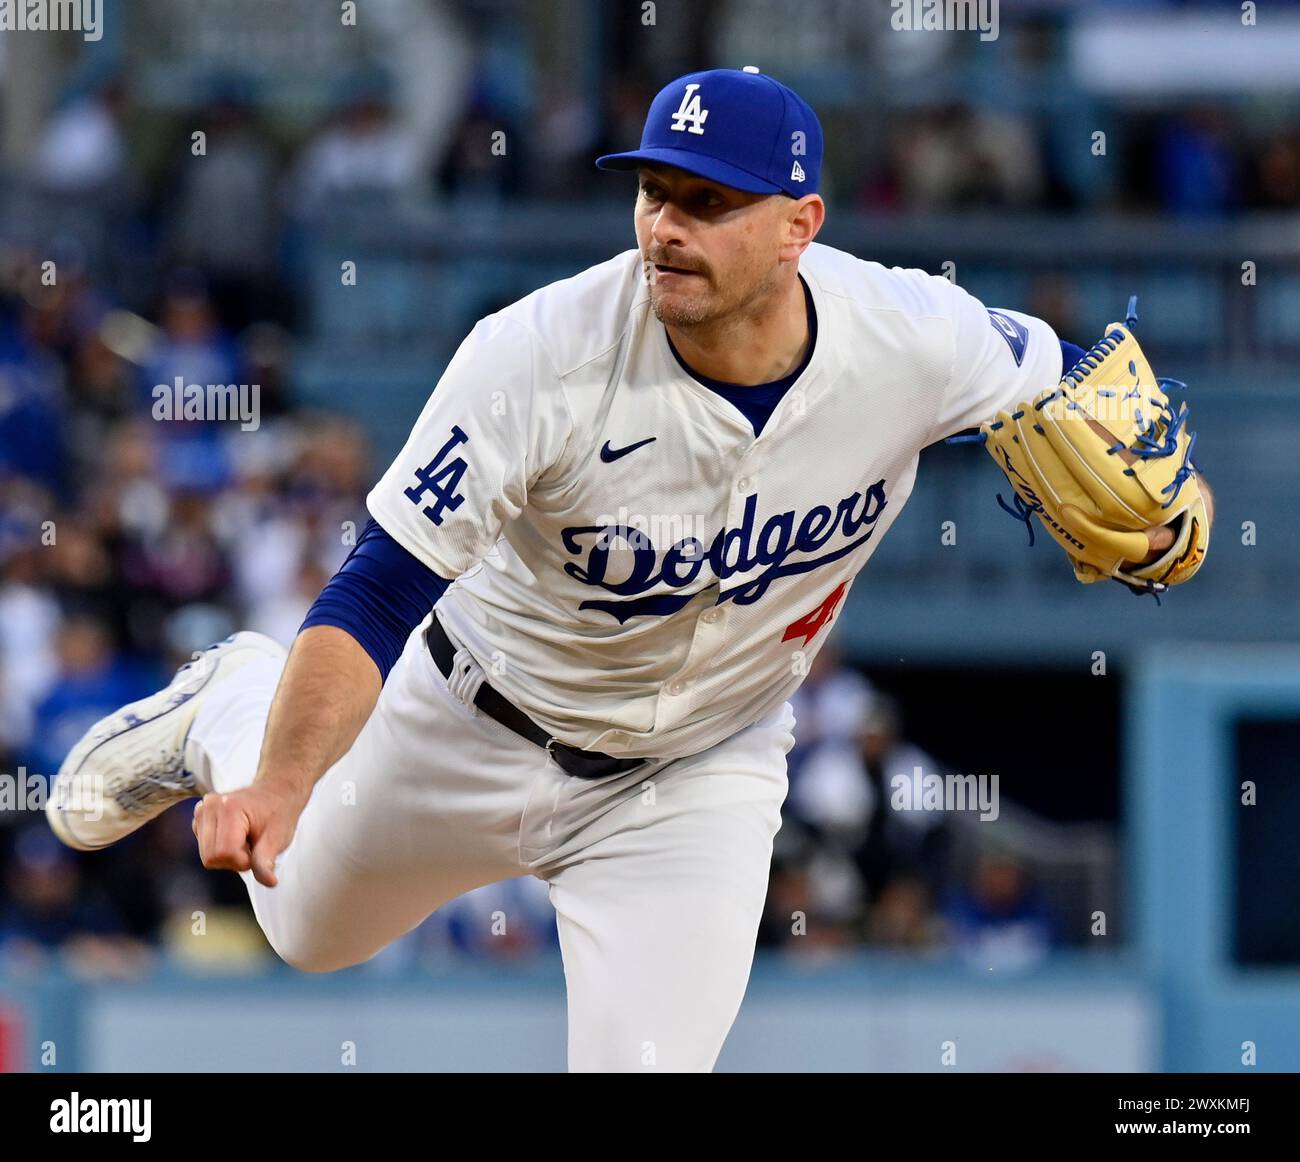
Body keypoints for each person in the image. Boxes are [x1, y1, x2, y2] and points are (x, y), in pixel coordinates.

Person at [46, 67, 1211, 1072]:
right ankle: (227, 708)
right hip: (470, 720)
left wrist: (1163, 521)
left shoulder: (910, 335)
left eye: (707, 203)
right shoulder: (537, 354)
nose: (665, 227)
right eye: (655, 192)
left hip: (693, 772)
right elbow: (377, 591)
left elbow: (1065, 371)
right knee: (307, 930)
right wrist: (283, 783)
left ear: (799, 224)